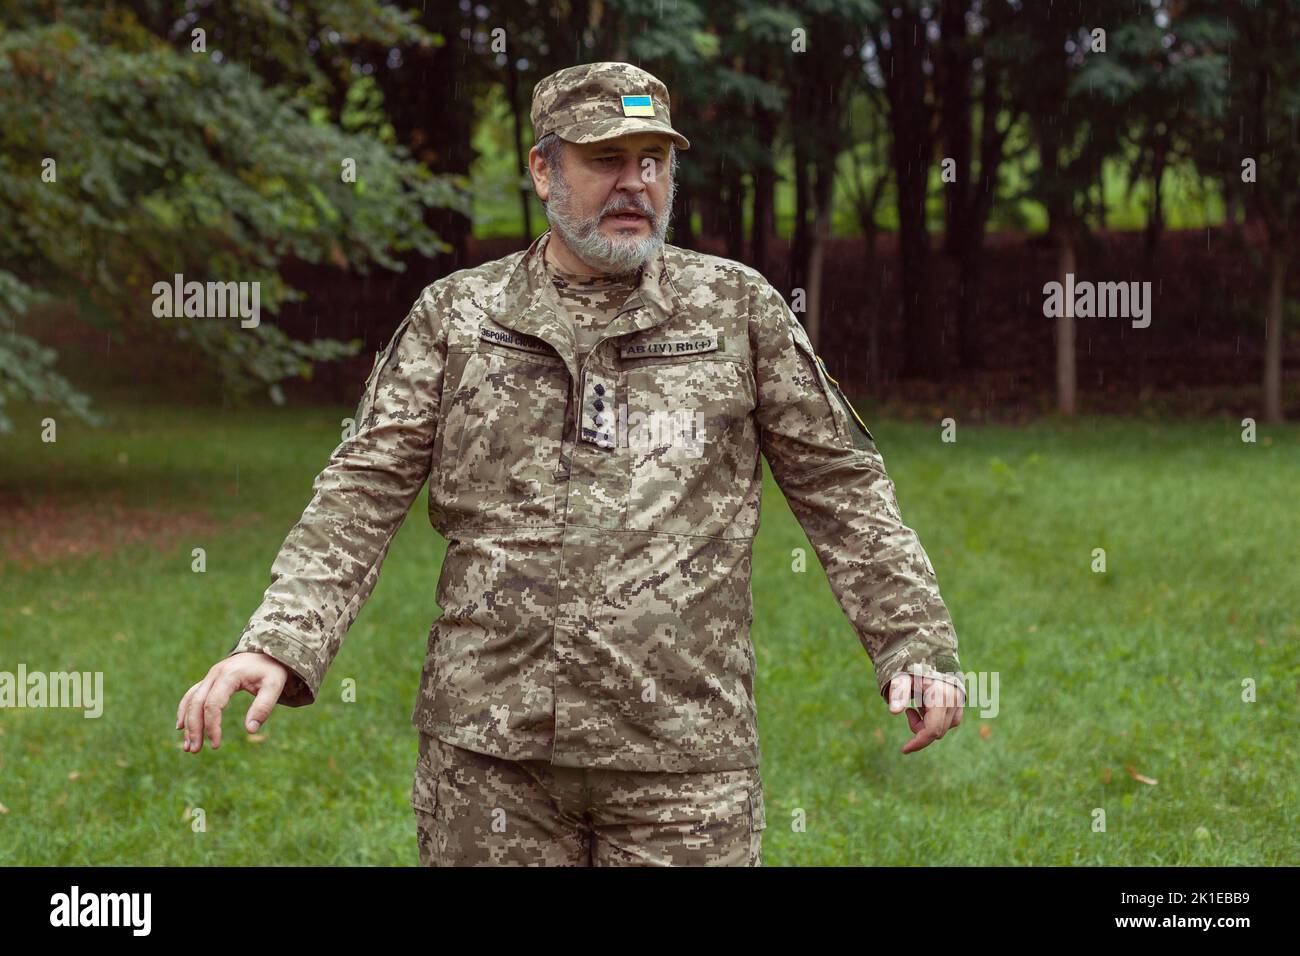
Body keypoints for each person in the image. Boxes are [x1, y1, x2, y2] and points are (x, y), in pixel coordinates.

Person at [175, 61, 965, 866]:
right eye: (606, 161)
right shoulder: (459, 316)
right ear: (544, 169)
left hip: (684, 761)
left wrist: (914, 644)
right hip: (490, 759)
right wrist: (278, 641)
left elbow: (843, 487)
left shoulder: (737, 310)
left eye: (652, 161)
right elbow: (362, 488)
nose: (636, 184)